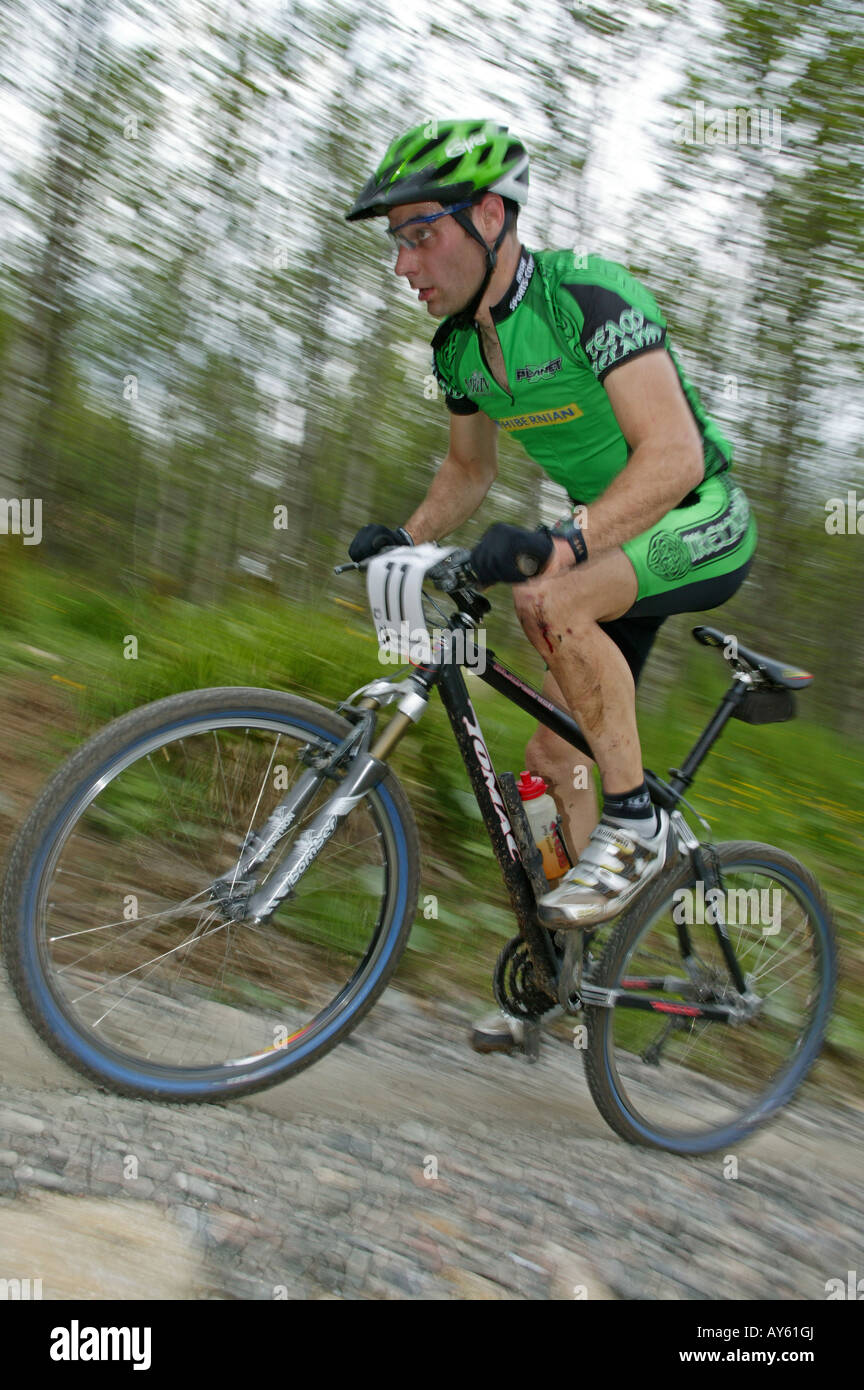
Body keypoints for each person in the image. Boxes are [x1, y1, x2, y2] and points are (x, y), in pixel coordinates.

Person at [345, 118, 757, 1053]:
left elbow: (674, 452)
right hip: (617, 546)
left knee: (550, 599)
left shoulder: (586, 295)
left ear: (490, 214)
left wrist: (566, 537)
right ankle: (569, 977)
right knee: (548, 755)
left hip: (698, 514)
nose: (405, 262)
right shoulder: (457, 350)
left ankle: (637, 823)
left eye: (421, 233)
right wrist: (403, 539)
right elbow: (468, 473)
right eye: (396, 241)